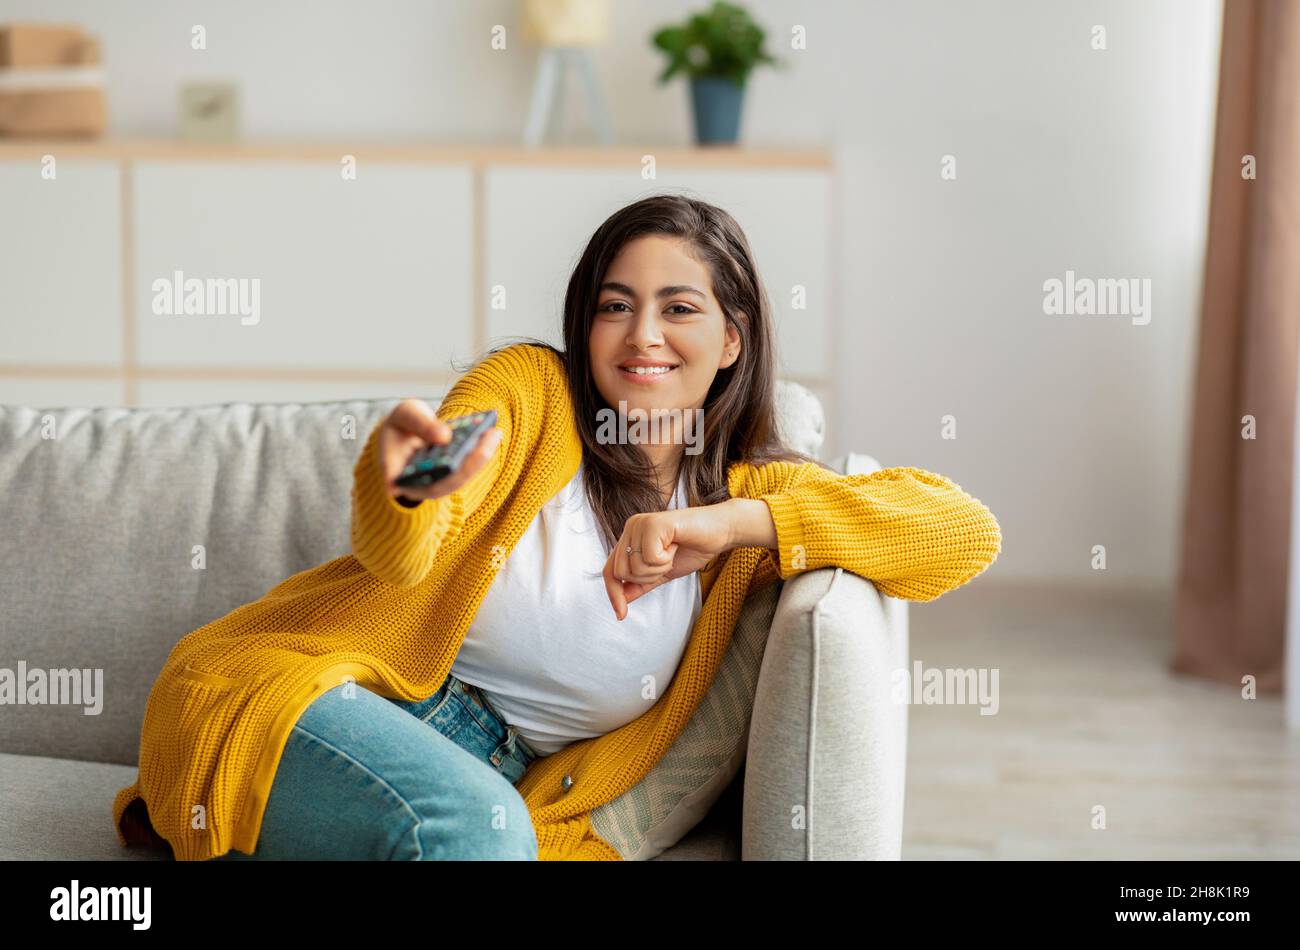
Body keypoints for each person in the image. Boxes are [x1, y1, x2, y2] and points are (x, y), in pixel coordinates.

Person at [112, 194, 1003, 861]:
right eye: (615, 305)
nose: (641, 334)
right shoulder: (531, 395)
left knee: (487, 825)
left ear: (732, 339)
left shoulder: (747, 502)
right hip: (301, 699)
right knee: (480, 828)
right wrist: (409, 482)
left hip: (480, 776)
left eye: (678, 307)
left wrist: (733, 523)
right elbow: (408, 538)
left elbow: (962, 534)